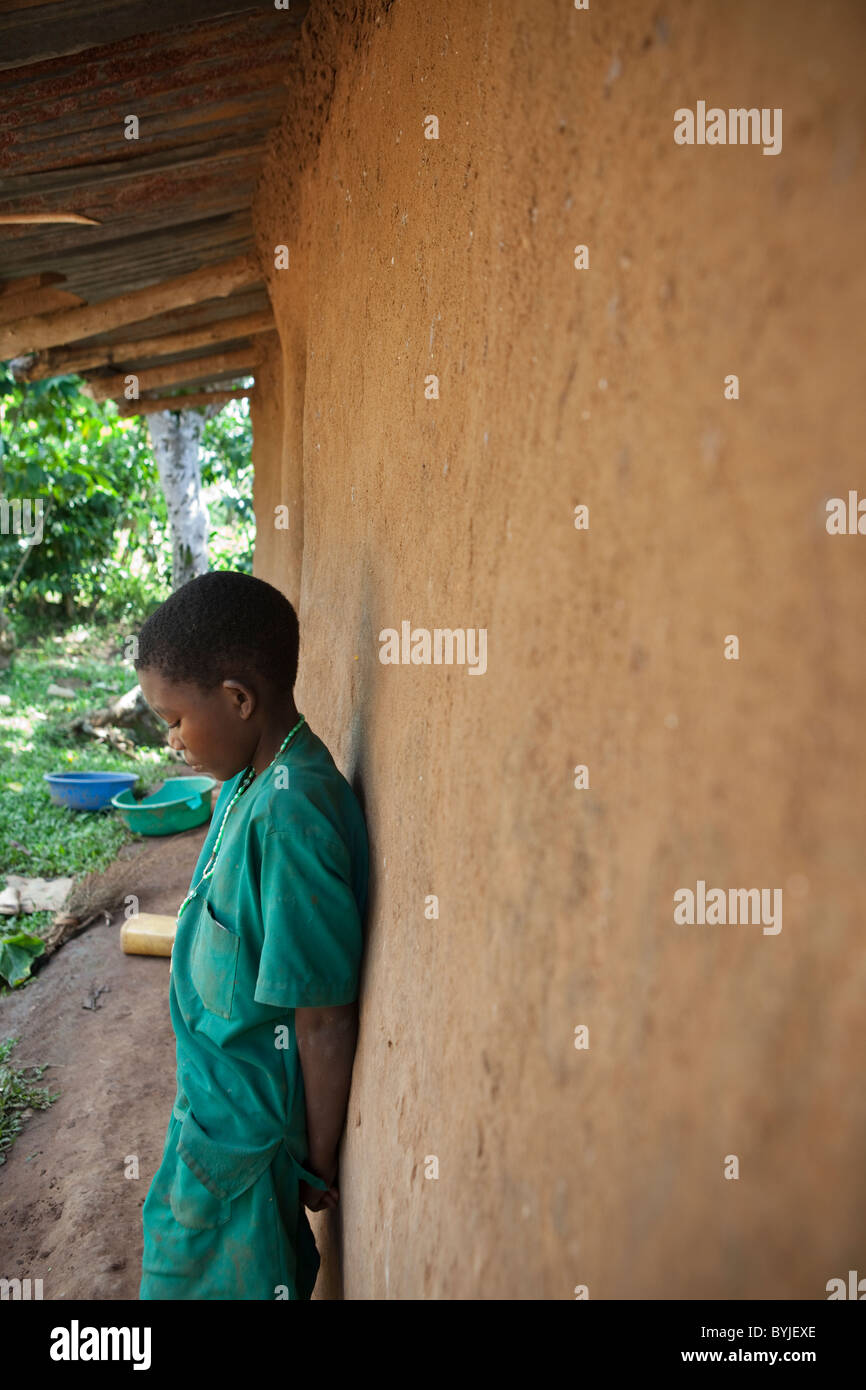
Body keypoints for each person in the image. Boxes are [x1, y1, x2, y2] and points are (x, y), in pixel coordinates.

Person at [133, 570, 368, 1300]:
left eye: (174, 720)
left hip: (246, 1159)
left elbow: (323, 1017)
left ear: (238, 699)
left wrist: (317, 1161)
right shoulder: (244, 782)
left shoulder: (292, 817)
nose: (172, 742)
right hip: (207, 1120)